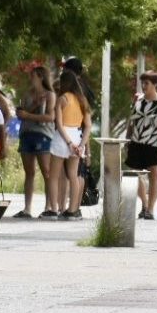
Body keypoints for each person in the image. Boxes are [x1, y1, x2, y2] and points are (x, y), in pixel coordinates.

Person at [125, 70, 157, 220]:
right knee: (134, 175)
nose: (144, 86)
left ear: (155, 84)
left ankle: (150, 210)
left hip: (152, 144)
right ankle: (144, 204)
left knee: (154, 177)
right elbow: (131, 122)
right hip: (136, 142)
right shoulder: (138, 101)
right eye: (142, 83)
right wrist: (127, 138)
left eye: (147, 83)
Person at [15, 66, 56, 218]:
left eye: (33, 76)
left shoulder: (50, 95)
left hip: (43, 134)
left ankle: (48, 206)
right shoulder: (27, 94)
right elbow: (21, 114)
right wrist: (35, 105)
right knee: (29, 172)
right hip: (26, 133)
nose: (31, 78)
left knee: (46, 171)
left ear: (41, 77)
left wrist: (28, 114)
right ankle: (27, 208)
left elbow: (50, 117)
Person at [53, 70, 92, 219]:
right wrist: (81, 144)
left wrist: (69, 143)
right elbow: (87, 125)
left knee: (54, 176)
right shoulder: (83, 100)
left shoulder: (62, 99)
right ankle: (73, 210)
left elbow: (59, 124)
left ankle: (55, 208)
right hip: (77, 135)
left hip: (63, 138)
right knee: (73, 175)